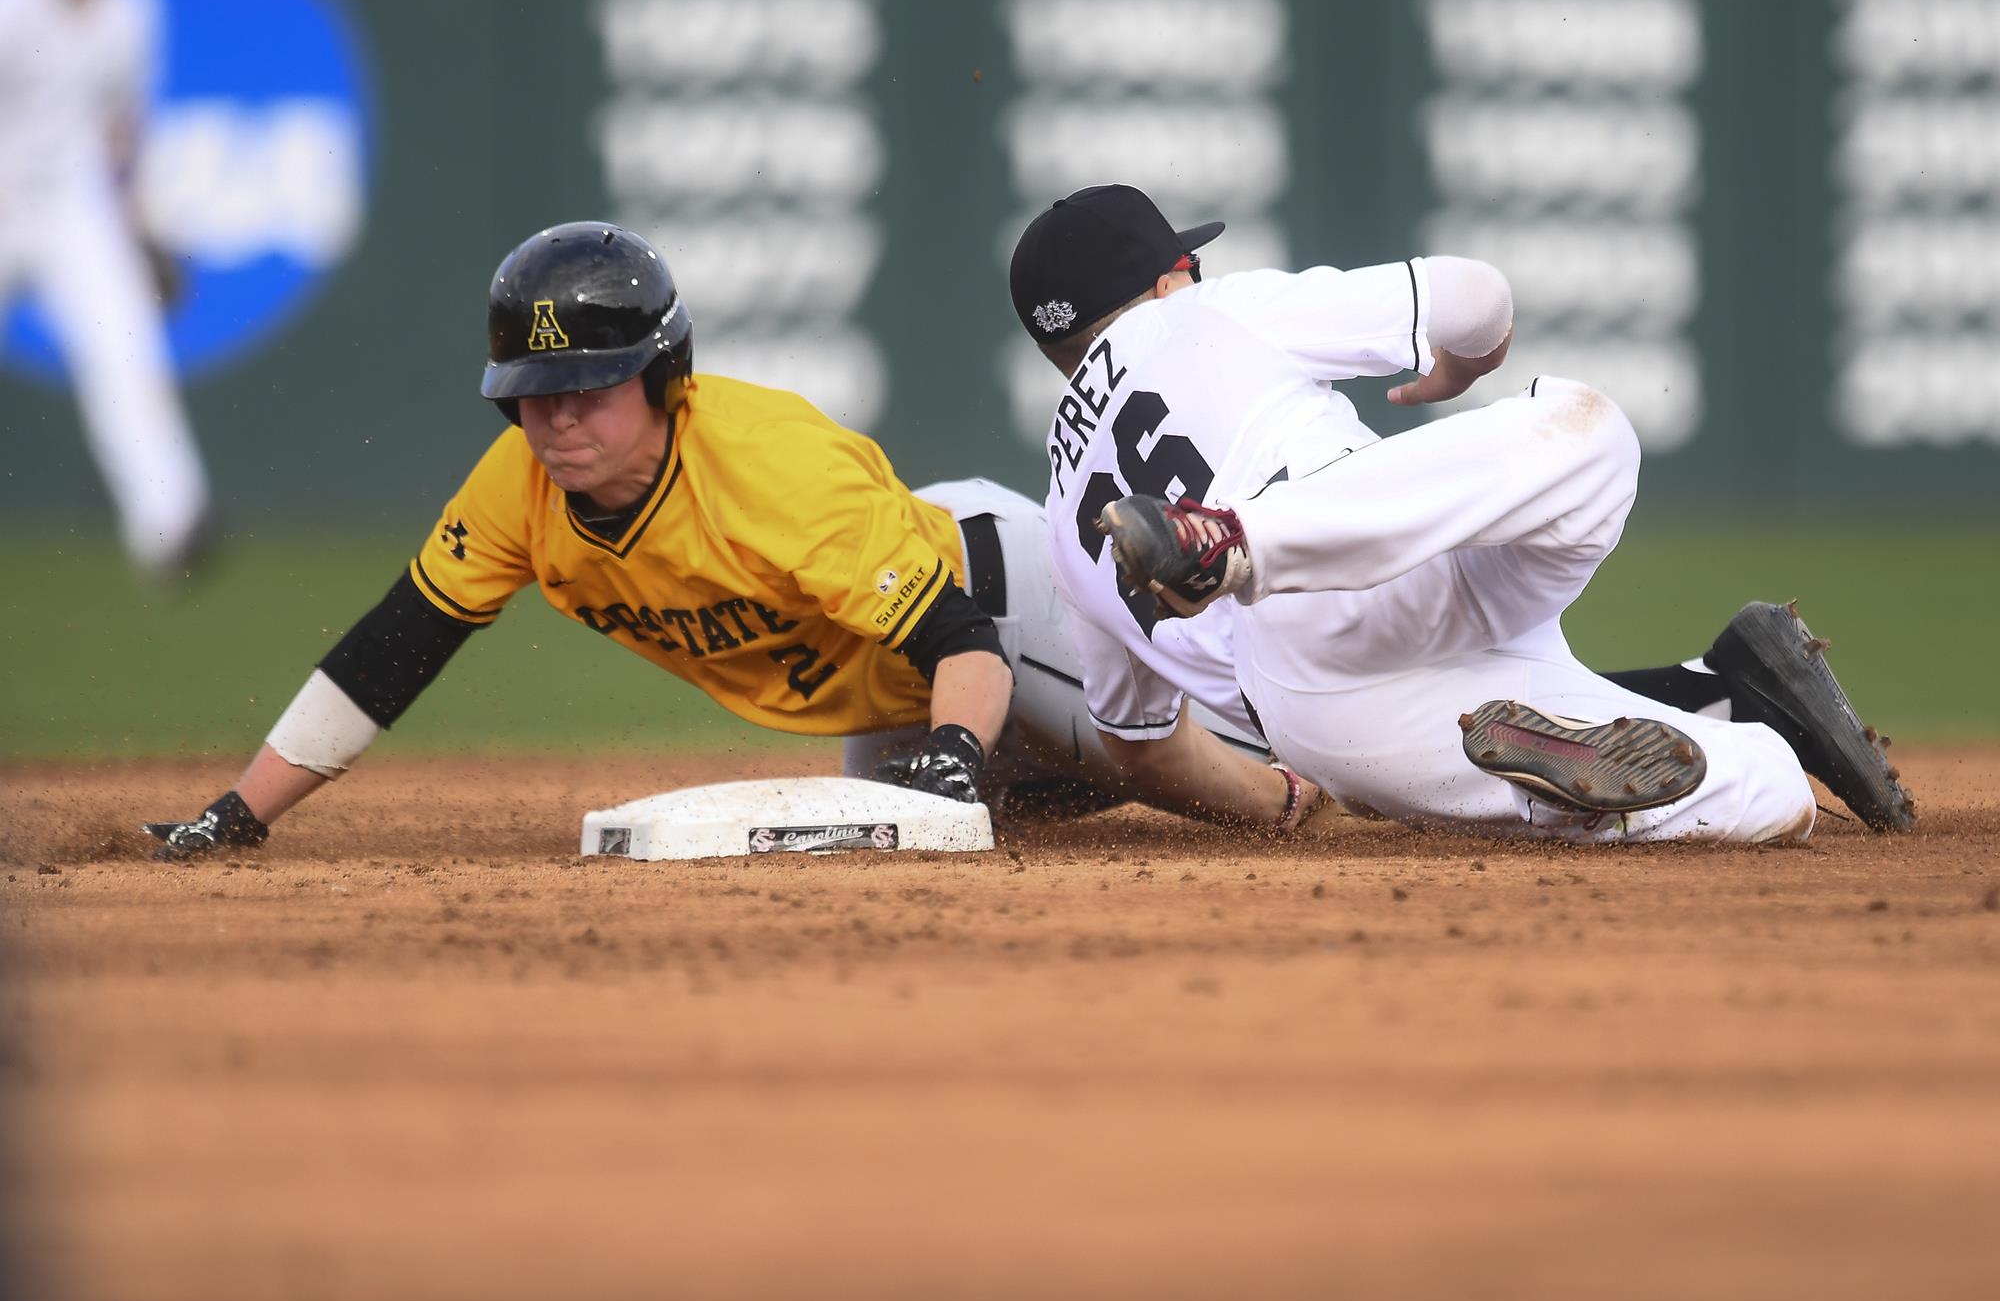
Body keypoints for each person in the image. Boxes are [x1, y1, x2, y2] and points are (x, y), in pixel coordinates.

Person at [142, 221, 1301, 860]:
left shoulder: (763, 467)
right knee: (990, 813)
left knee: (1198, 765)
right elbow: (393, 647)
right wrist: (240, 812)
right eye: (531, 395)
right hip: (896, 692)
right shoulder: (520, 487)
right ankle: (1061, 754)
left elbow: (956, 634)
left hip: (1005, 606)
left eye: (587, 388)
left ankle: (1311, 787)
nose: (555, 419)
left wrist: (953, 759)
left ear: (660, 377)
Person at [1008, 184, 1913, 843]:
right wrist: (1464, 363)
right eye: (1188, 263)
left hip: (1324, 707)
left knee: (1767, 787)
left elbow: (1139, 746)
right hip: (1395, 551)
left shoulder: (1062, 522)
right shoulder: (1209, 311)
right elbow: (1475, 295)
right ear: (1170, 281)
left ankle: (1577, 771)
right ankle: (1238, 541)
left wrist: (1281, 800)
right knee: (1589, 434)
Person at [0, 0, 212, 578]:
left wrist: (137, 221)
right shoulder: (13, 8)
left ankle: (172, 524)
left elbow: (125, 123)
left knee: (127, 350)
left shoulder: (131, 8)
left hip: (74, 203)